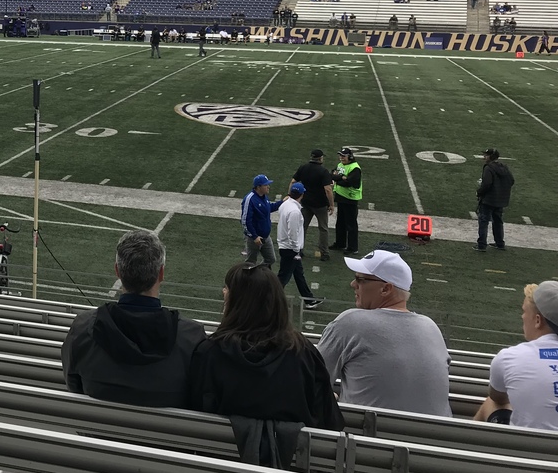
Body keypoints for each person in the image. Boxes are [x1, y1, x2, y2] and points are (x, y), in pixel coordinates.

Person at [189, 262, 343, 432]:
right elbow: (330, 421)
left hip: (217, 455)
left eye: (227, 289)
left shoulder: (210, 352)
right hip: (293, 456)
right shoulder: (303, 352)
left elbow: (194, 412)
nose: (223, 292)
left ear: (234, 303)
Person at [61, 230, 206, 407]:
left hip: (97, 432)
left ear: (117, 272)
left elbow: (74, 386)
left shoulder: (83, 328)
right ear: (161, 273)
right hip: (164, 434)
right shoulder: (191, 338)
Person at [317, 250, 450, 416]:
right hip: (436, 438)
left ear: (386, 289)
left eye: (361, 280)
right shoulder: (431, 327)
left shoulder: (350, 323)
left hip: (368, 438)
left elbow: (309, 384)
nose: (353, 284)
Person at [475, 281, 558, 429]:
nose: (522, 317)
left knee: (491, 402)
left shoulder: (509, 357)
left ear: (538, 320)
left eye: (525, 311)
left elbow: (498, 398)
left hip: (525, 450)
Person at [276, 183, 322, 308]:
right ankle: (269, 300)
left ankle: (309, 299)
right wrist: (296, 249)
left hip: (286, 246)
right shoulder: (294, 211)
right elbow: (293, 232)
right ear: (302, 194)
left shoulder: (285, 204)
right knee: (283, 277)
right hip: (290, 249)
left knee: (298, 273)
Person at [291, 149, 335, 260]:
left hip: (305, 202)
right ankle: (324, 253)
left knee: (302, 227)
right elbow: (328, 190)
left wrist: (291, 196)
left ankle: (299, 250)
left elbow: (293, 182)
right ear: (320, 158)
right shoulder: (323, 171)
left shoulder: (303, 168)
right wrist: (331, 204)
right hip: (320, 204)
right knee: (323, 228)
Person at [475, 147, 514, 251]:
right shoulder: (504, 167)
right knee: (498, 221)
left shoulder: (488, 168)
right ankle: (499, 243)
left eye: (486, 155)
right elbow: (511, 181)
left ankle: (481, 245)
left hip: (489, 200)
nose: (484, 157)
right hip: (500, 200)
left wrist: (479, 192)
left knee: (483, 221)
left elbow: (487, 184)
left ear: (490, 157)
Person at [330, 148, 362, 254]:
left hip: (350, 198)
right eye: (340, 155)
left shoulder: (355, 168)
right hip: (341, 197)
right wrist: (341, 177)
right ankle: (340, 244)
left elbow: (349, 182)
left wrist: (338, 179)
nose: (341, 158)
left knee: (351, 224)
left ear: (350, 157)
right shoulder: (340, 165)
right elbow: (331, 174)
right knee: (340, 223)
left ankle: (353, 248)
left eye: (343, 156)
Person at [241, 174, 275, 267]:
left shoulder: (264, 197)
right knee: (250, 263)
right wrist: (254, 236)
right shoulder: (250, 199)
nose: (268, 186)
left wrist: (282, 202)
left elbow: (269, 208)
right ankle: (245, 280)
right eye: (266, 185)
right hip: (254, 238)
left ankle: (258, 276)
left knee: (270, 259)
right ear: (258, 187)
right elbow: (245, 220)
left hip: (265, 236)